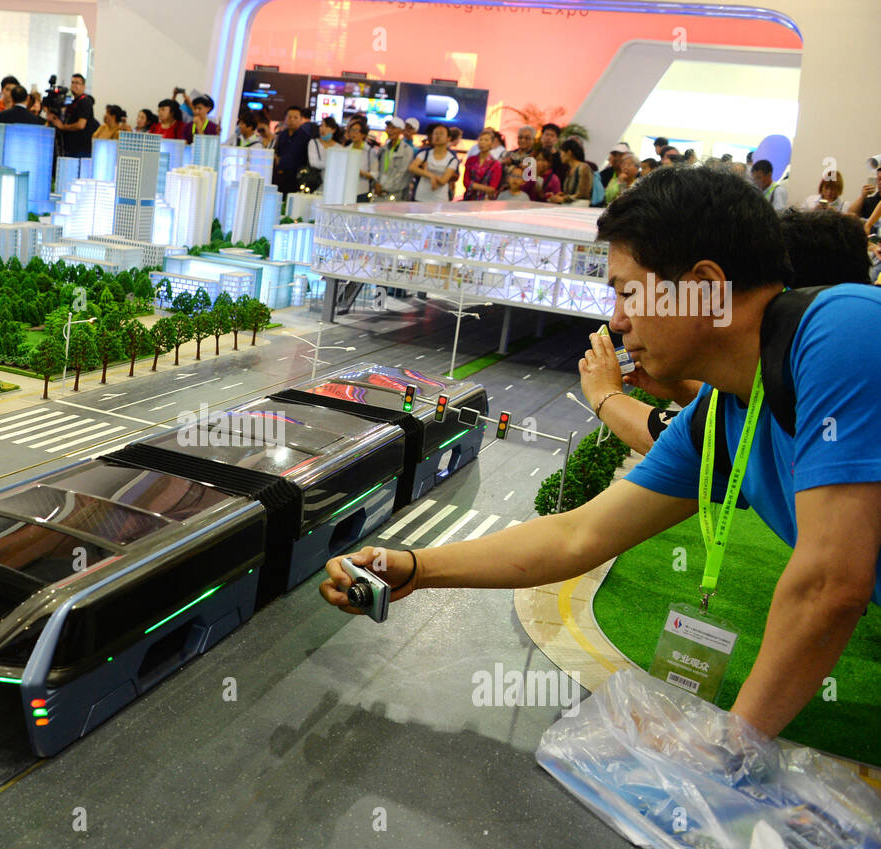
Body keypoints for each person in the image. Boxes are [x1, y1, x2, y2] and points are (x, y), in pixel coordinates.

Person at [324, 164, 881, 741]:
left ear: (706, 286)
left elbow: (829, 584)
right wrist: (415, 566)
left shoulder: (842, 331)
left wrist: (726, 753)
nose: (617, 321)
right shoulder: (721, 414)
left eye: (628, 292)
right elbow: (577, 536)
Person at [579, 203, 872, 455]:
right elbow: (704, 439)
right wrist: (681, 388)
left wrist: (605, 395)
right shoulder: (767, 389)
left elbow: (690, 444)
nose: (617, 321)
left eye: (629, 294)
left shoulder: (845, 366)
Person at [47, 72, 94, 158]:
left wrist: (62, 127)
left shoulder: (85, 101)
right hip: (69, 147)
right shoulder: (70, 100)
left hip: (80, 149)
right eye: (72, 82)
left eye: (77, 83)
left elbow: (81, 125)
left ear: (83, 86)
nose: (74, 85)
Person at [408, 123, 459, 202]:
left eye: (441, 133)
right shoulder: (424, 153)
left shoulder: (452, 159)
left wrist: (424, 171)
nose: (437, 136)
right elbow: (412, 168)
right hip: (420, 197)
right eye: (435, 133)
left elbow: (443, 180)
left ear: (448, 138)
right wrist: (431, 176)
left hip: (440, 199)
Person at [271, 105, 313, 195]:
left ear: (301, 119)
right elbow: (278, 153)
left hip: (296, 178)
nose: (292, 120)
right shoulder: (282, 135)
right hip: (280, 176)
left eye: (295, 117)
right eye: (289, 117)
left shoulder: (305, 138)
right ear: (285, 119)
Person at [372, 117, 413, 201]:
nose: (390, 131)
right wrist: (376, 184)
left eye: (393, 128)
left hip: (395, 195)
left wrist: (385, 187)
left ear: (401, 131)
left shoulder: (407, 150)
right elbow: (377, 169)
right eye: (388, 127)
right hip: (379, 192)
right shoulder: (383, 148)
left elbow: (403, 174)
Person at [547, 138, 592, 204]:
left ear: (569, 152)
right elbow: (572, 192)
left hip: (579, 207)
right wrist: (561, 195)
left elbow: (583, 194)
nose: (560, 156)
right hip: (570, 205)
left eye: (561, 153)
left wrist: (563, 199)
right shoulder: (569, 169)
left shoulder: (584, 167)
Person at [461, 128, 502, 200]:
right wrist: (484, 188)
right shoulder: (471, 160)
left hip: (485, 201)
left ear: (492, 144)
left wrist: (472, 185)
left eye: (486, 140)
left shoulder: (496, 164)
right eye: (481, 139)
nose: (482, 142)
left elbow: (493, 188)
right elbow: (465, 182)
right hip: (469, 198)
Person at [303, 115, 340, 190]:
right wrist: (332, 164)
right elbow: (314, 163)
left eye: (326, 126)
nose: (323, 129)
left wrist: (324, 163)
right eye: (321, 126)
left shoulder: (339, 147)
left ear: (333, 130)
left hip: (333, 184)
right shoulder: (313, 142)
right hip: (316, 182)